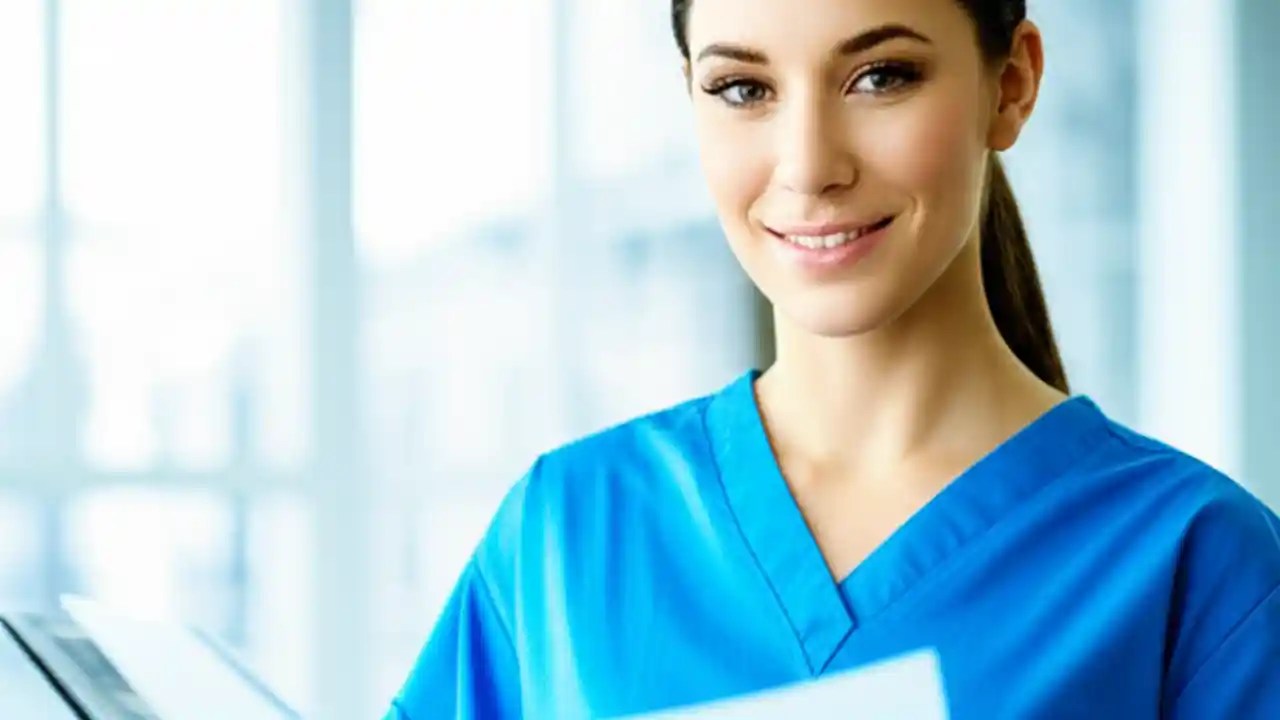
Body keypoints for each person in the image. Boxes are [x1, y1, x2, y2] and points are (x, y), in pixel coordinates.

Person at [384, 0, 1280, 717]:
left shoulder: (1201, 561)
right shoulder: (566, 532)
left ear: (1009, 85)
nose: (808, 166)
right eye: (742, 88)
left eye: (881, 76)